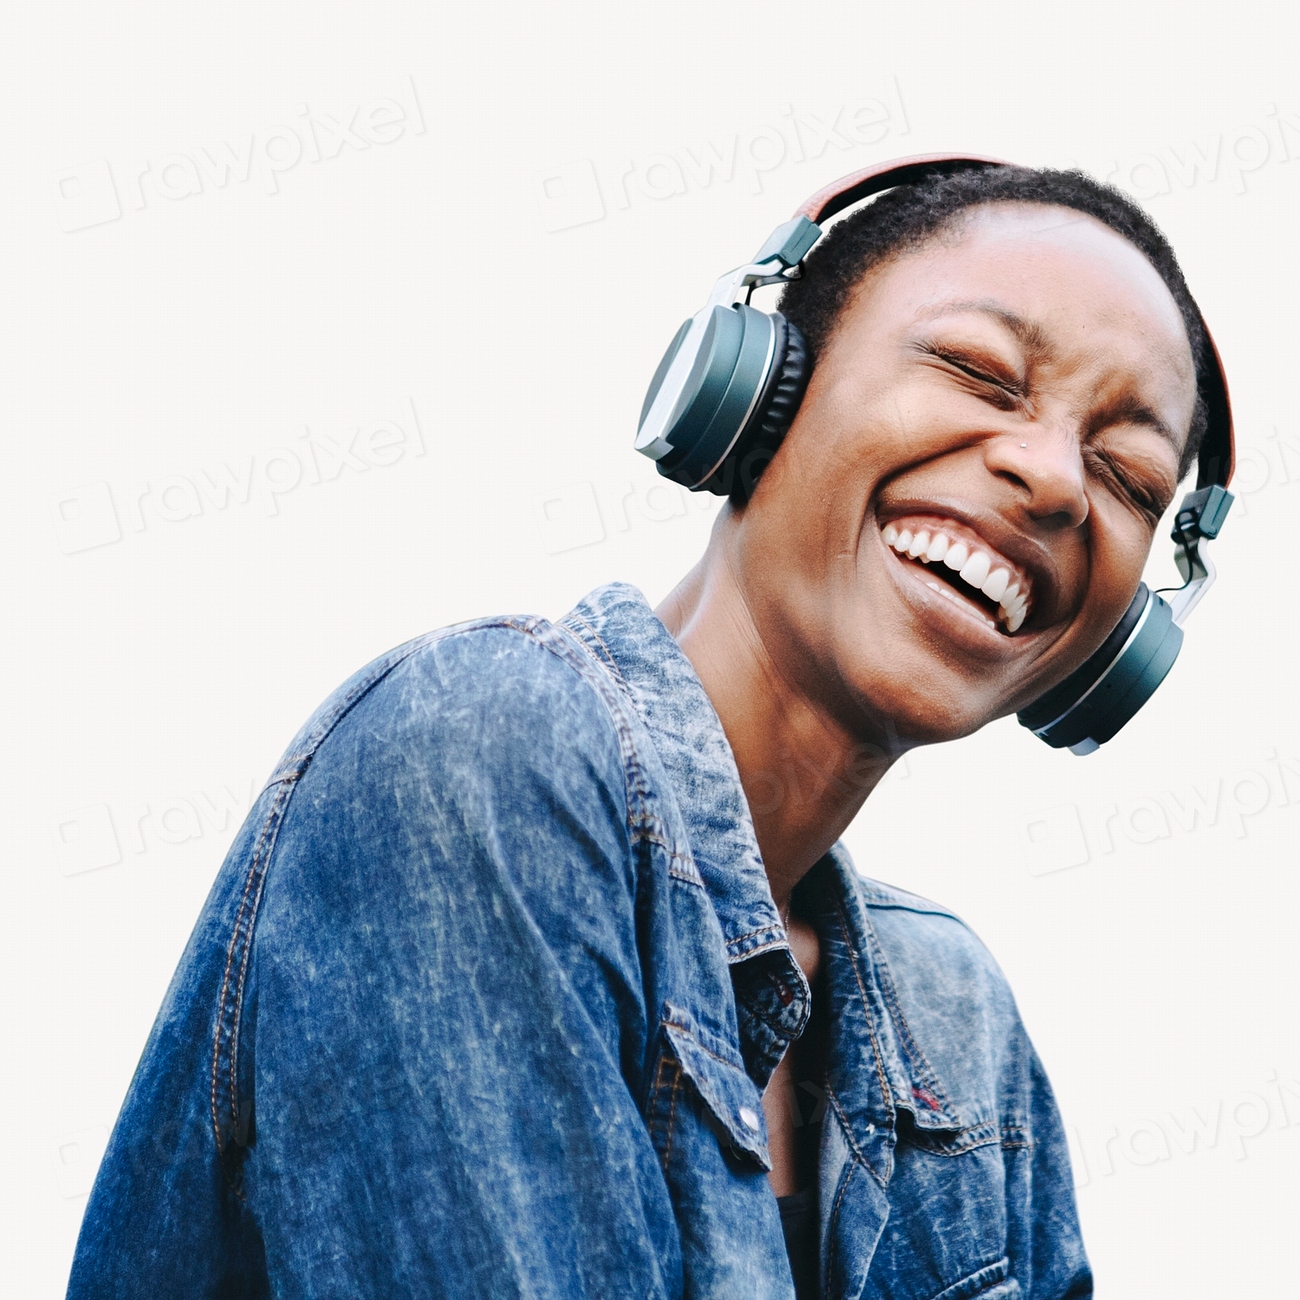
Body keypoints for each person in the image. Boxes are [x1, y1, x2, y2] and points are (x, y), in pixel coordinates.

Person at [67, 157, 1233, 1299]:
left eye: (1126, 478)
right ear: (757, 391)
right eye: (978, 372)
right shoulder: (477, 748)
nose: (1054, 482)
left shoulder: (955, 1020)